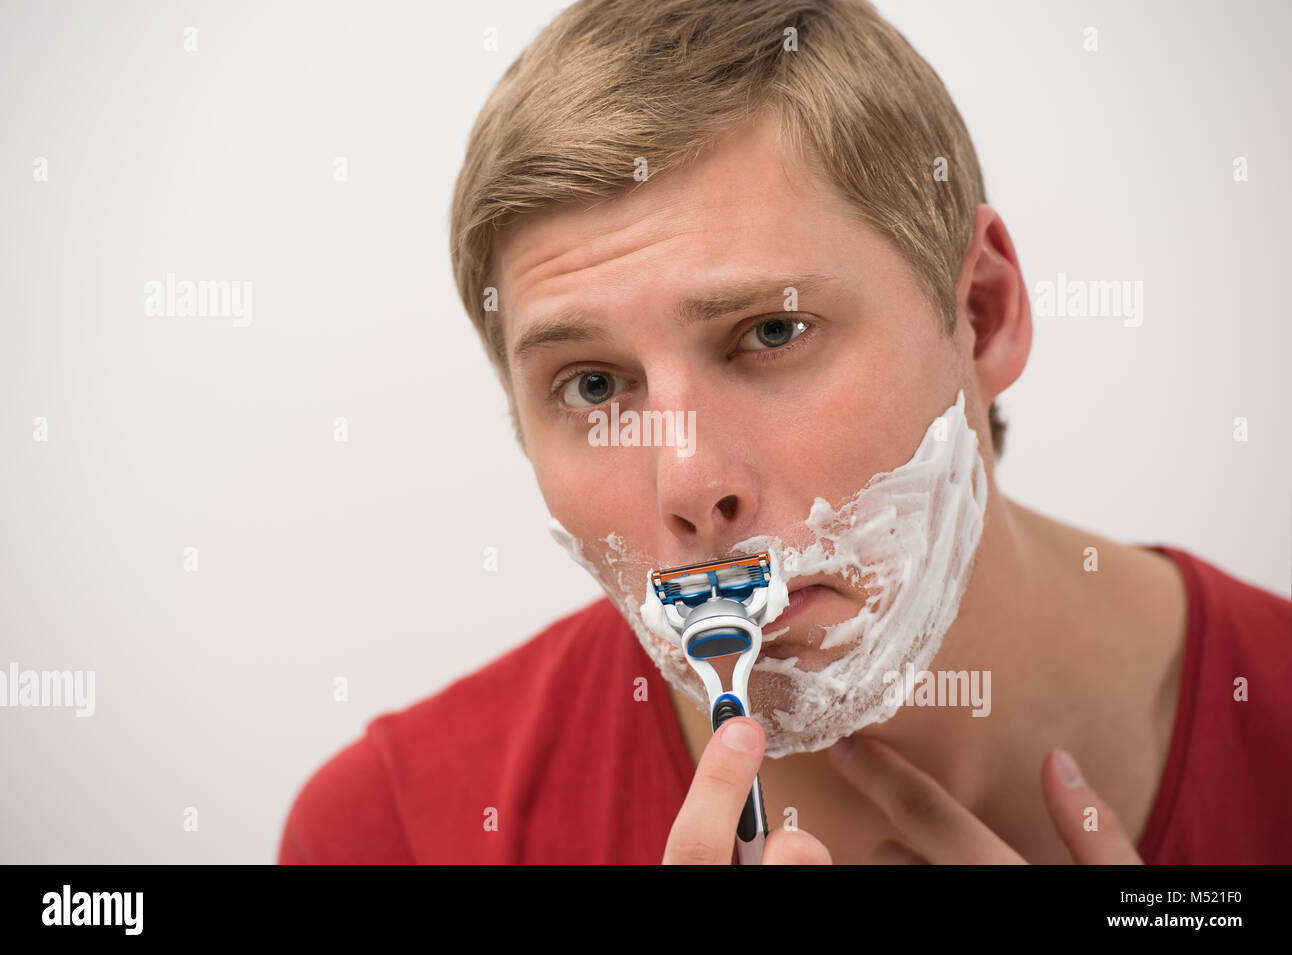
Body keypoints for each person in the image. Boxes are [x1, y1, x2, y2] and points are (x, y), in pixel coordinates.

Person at [278, 0, 1291, 865]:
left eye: (770, 332)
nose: (685, 482)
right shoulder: (394, 831)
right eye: (593, 383)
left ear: (980, 312)